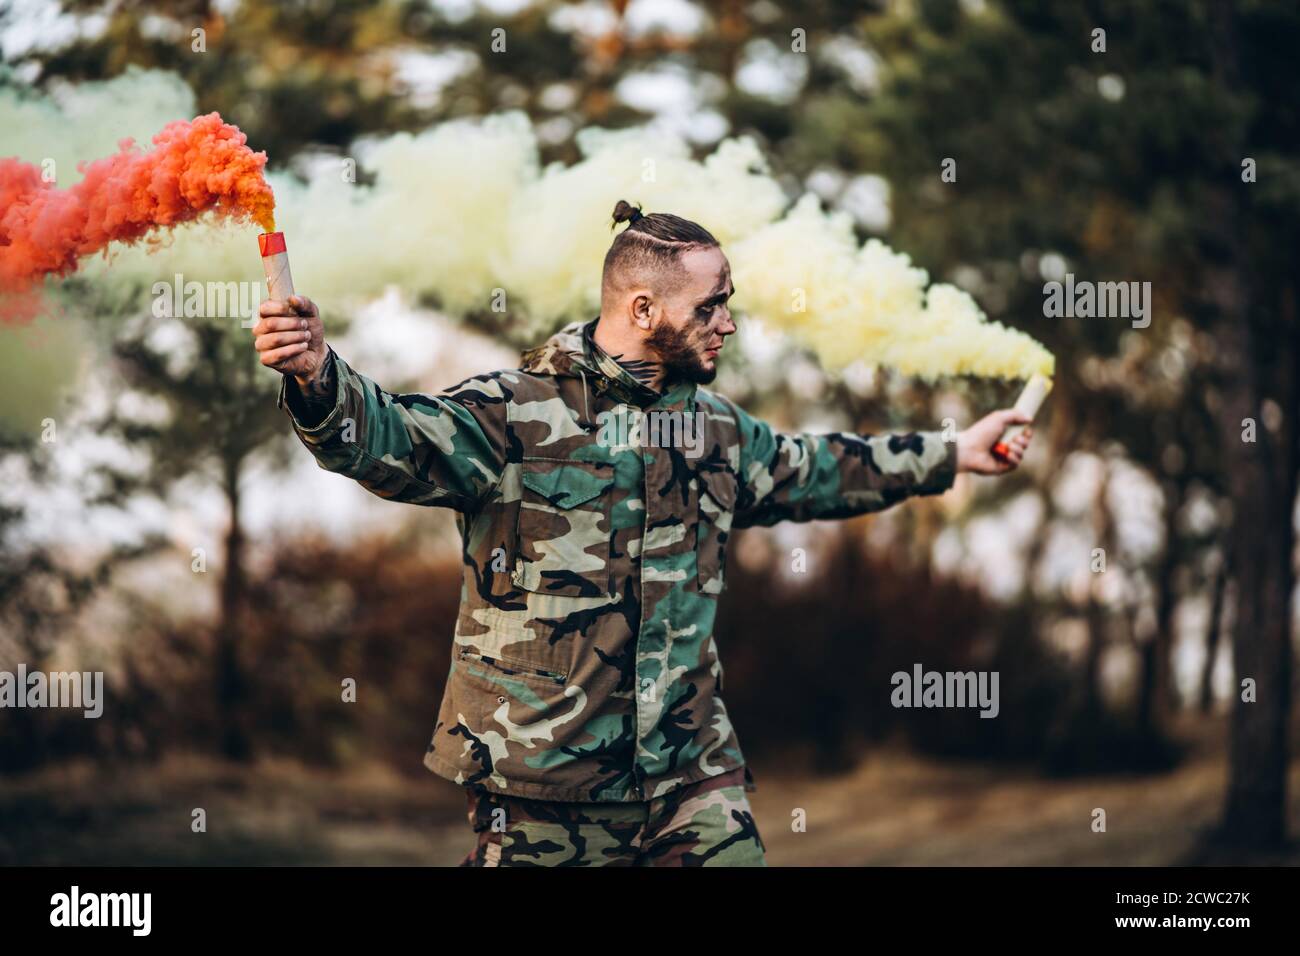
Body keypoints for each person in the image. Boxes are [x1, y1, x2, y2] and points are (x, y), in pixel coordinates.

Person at [250, 200, 1034, 866]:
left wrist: (955, 452)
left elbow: (816, 468)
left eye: (729, 300)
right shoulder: (514, 410)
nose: (728, 322)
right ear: (643, 310)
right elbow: (385, 439)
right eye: (711, 305)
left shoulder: (714, 427)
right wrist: (318, 374)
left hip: (689, 773)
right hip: (541, 786)